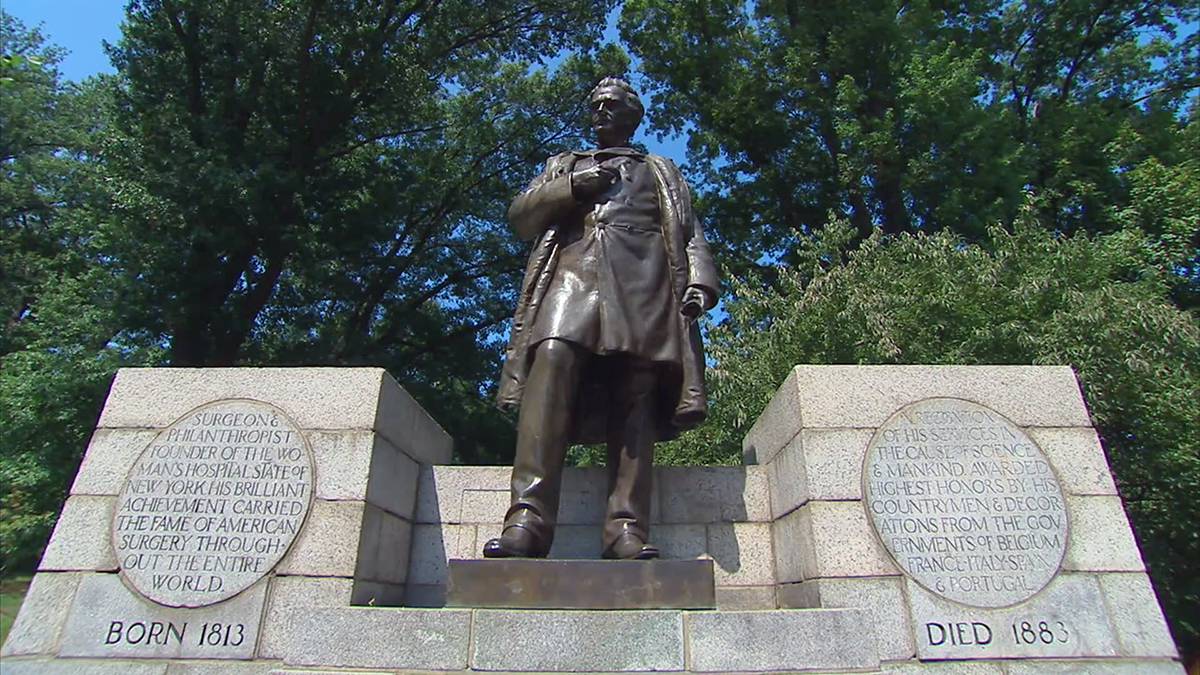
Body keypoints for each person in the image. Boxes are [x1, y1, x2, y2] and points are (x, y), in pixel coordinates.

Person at [486, 77, 718, 560]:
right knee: (549, 361)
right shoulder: (564, 164)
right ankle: (526, 520)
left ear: (633, 114)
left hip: (645, 284)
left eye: (611, 105)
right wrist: (569, 188)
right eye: (595, 106)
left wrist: (701, 280)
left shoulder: (661, 170)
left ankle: (626, 529)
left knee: (635, 390)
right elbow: (520, 216)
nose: (600, 112)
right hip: (573, 278)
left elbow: (688, 229)